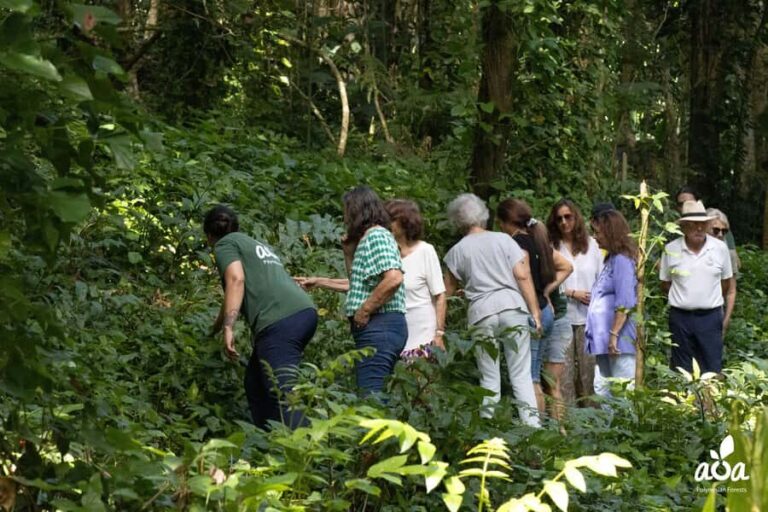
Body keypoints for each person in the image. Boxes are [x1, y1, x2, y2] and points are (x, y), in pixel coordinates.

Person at [205, 205, 318, 429]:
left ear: (209, 236)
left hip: (280, 320)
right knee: (256, 383)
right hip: (301, 312)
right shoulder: (250, 243)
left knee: (282, 390)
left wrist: (229, 328)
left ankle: (306, 454)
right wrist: (218, 326)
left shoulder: (224, 245)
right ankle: (268, 442)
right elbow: (232, 294)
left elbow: (236, 281)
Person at [296, 186, 407, 395]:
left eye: (347, 210)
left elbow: (394, 278)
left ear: (358, 210)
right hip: (381, 328)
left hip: (380, 326)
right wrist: (322, 278)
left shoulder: (376, 236)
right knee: (374, 395)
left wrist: (364, 311)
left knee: (370, 400)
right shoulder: (369, 238)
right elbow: (358, 283)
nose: (345, 217)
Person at [443, 193, 542, 427]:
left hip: (481, 313)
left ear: (457, 221)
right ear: (483, 215)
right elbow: (522, 275)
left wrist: (438, 327)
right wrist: (535, 312)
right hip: (512, 307)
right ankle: (533, 434)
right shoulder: (504, 240)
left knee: (488, 376)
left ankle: (487, 432)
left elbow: (446, 293)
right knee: (521, 375)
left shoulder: (455, 251)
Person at [496, 198, 572, 414]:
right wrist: (545, 292)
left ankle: (535, 430)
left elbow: (523, 275)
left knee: (530, 378)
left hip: (532, 314)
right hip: (546, 311)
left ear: (504, 221)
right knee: (536, 375)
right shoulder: (537, 239)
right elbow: (566, 266)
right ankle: (546, 429)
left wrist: (535, 303)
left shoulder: (517, 243)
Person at [660, 201, 734, 374]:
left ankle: (709, 401)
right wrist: (685, 298)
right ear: (684, 227)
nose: (699, 229)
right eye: (693, 225)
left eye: (702, 224)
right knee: (681, 369)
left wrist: (706, 297)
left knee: (711, 368)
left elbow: (726, 284)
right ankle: (684, 400)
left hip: (710, 317)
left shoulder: (720, 249)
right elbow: (665, 284)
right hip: (680, 318)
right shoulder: (671, 249)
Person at [546, 199, 603, 406]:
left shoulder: (593, 245)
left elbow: (602, 277)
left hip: (590, 317)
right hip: (562, 315)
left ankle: (592, 419)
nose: (564, 222)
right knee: (564, 374)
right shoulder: (551, 247)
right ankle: (567, 422)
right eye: (559, 218)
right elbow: (547, 282)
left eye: (568, 217)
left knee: (589, 373)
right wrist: (571, 292)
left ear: (576, 217)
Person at [384, 199, 447, 361]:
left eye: (392, 219)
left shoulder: (425, 251)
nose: (387, 224)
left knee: (420, 381)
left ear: (406, 221)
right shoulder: (386, 254)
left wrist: (439, 334)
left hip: (423, 330)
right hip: (395, 330)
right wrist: (323, 281)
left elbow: (440, 296)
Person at [585, 208, 638, 394]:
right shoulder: (611, 259)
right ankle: (608, 424)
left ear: (610, 232)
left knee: (622, 391)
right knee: (603, 390)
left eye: (597, 232)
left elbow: (625, 301)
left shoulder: (622, 261)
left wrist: (614, 334)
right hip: (605, 341)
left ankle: (621, 425)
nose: (595, 237)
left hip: (618, 343)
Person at [675, 186, 739, 273]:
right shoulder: (671, 229)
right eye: (680, 204)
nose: (685, 206)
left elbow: (732, 258)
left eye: (689, 203)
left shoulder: (718, 223)